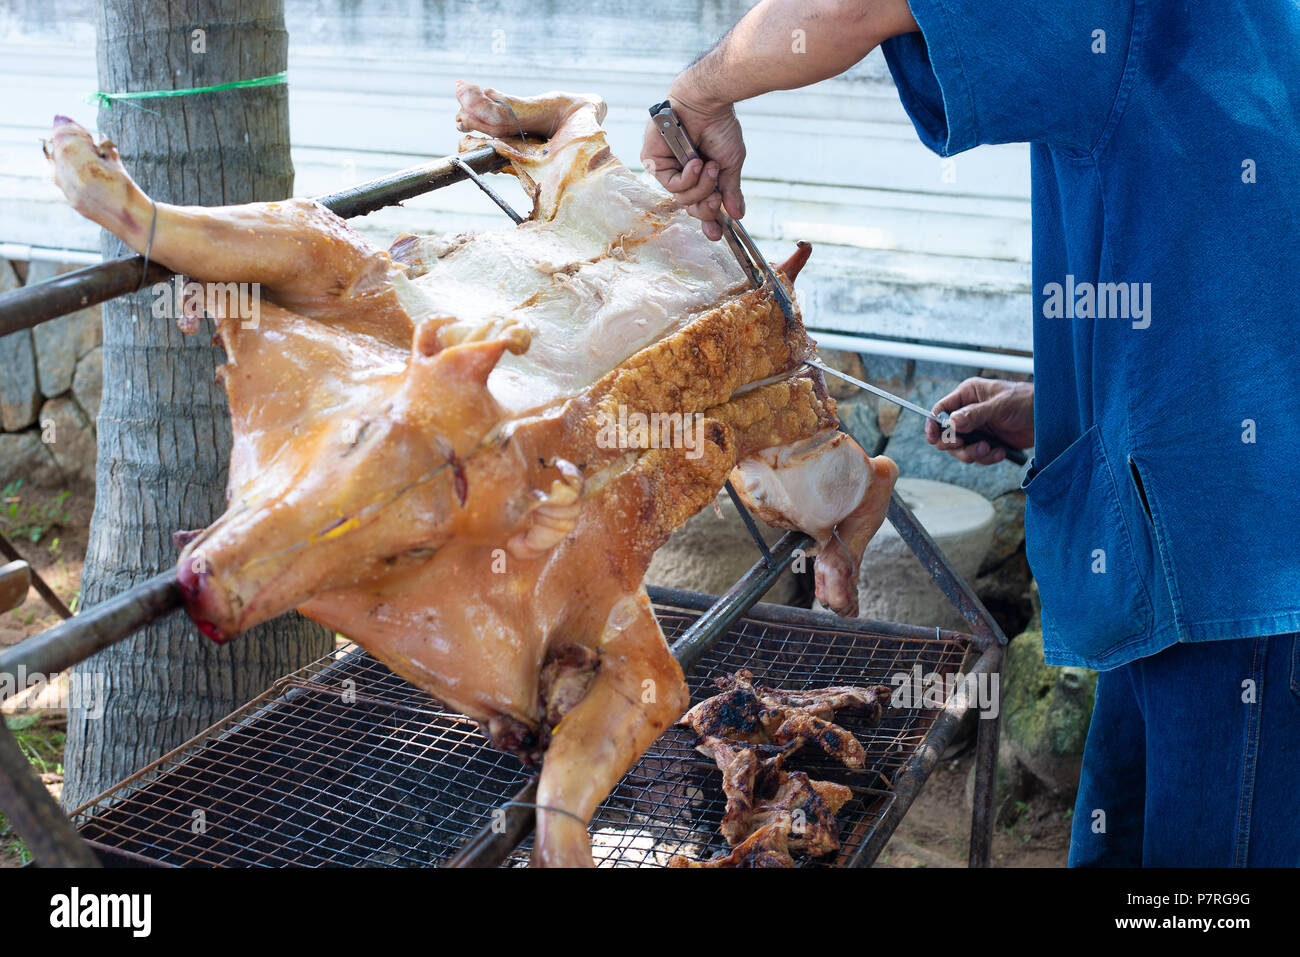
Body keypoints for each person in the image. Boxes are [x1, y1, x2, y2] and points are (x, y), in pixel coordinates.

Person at [643, 0, 1300, 867]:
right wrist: (1054, 405)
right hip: (1191, 549)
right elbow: (1230, 254)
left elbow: (847, 8)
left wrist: (698, 95)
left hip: (1240, 563)